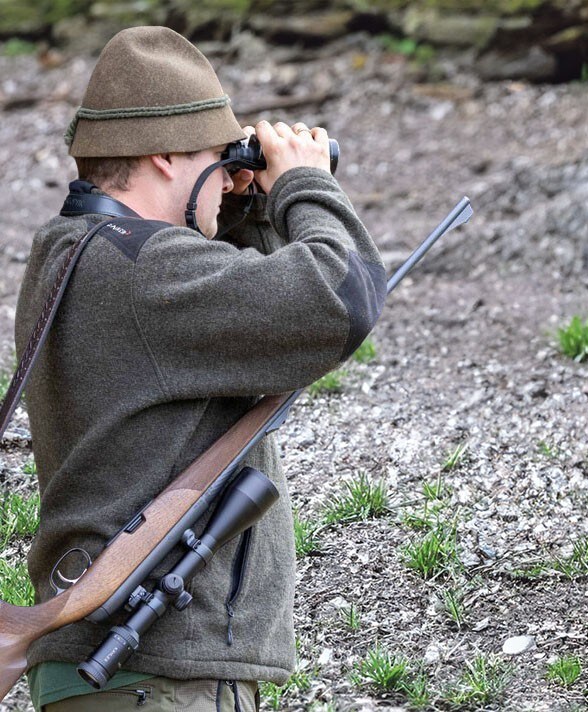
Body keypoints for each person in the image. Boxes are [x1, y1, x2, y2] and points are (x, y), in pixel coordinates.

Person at [15, 26, 385, 711]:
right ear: (162, 155)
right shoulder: (150, 272)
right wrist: (302, 183)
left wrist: (236, 201)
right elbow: (338, 301)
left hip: (108, 670)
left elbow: (245, 323)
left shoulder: (72, 254)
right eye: (217, 157)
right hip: (156, 678)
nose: (228, 171)